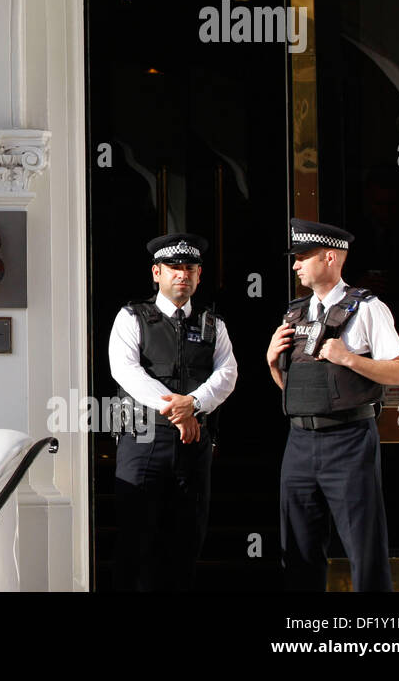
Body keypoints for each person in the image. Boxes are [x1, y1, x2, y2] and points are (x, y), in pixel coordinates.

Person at [264, 218, 399, 591]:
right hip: (299, 443)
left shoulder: (367, 308)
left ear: (330, 257)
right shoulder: (295, 312)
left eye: (302, 257)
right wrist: (271, 364)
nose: (295, 264)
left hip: (348, 440)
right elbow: (295, 389)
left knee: (364, 547)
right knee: (298, 550)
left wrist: (350, 359)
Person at [108, 232, 238, 590]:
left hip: (193, 445)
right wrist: (179, 411)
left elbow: (227, 374)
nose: (183, 274)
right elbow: (126, 371)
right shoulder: (132, 317)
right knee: (136, 542)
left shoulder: (214, 325)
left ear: (199, 275)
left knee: (185, 541)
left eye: (190, 268)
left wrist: (193, 405)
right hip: (144, 441)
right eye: (174, 268)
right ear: (156, 273)